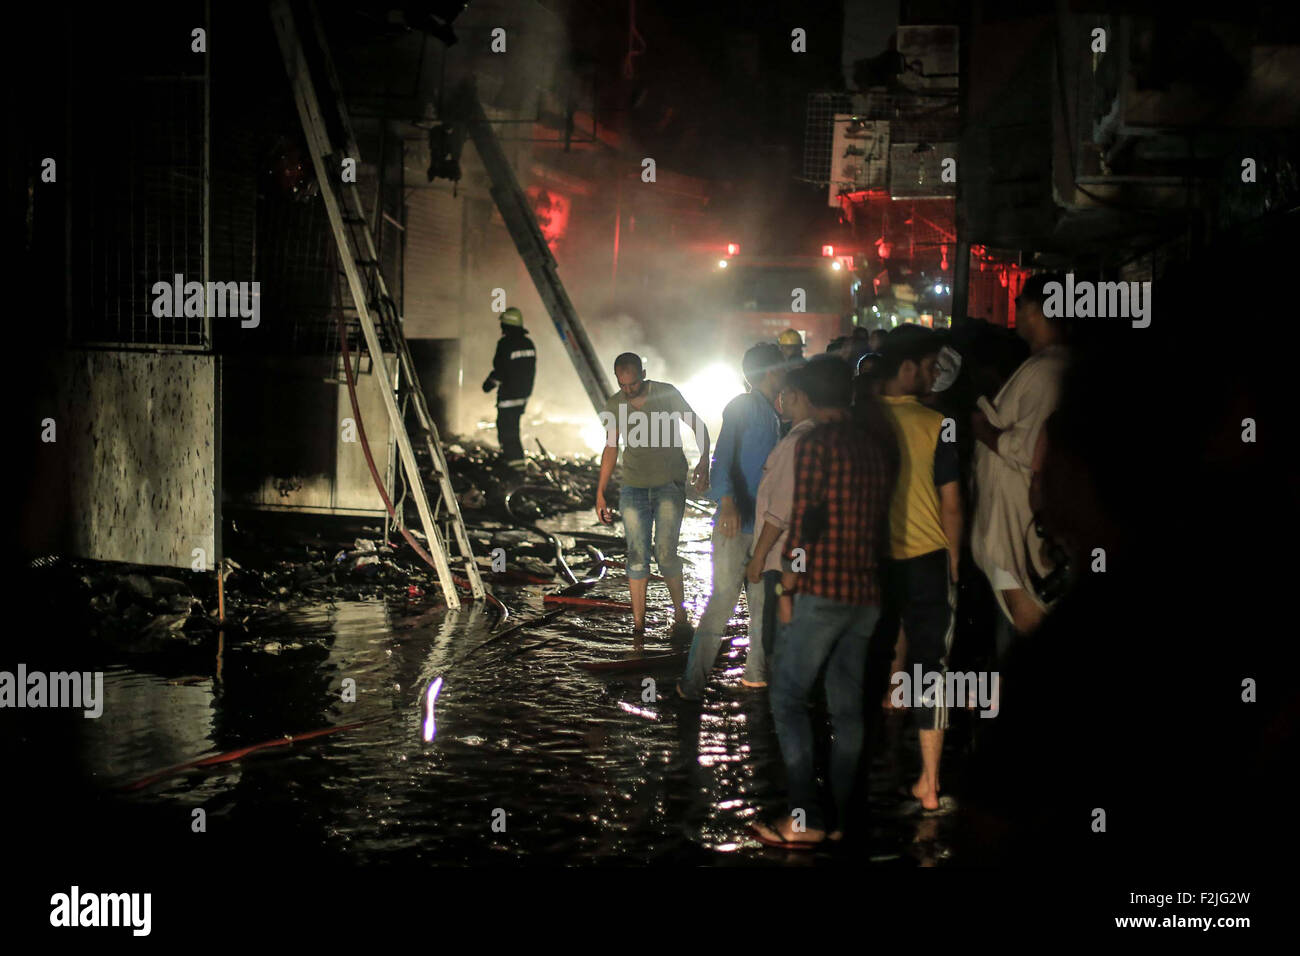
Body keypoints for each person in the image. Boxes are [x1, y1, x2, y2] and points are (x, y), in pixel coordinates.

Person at [751, 357, 895, 848]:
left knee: (788, 696)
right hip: (866, 592)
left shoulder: (815, 443)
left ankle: (806, 818)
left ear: (809, 398)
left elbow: (805, 517)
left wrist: (788, 583)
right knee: (847, 708)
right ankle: (840, 818)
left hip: (823, 590)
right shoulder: (874, 444)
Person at [874, 327, 963, 812]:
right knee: (933, 669)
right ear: (908, 368)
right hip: (928, 559)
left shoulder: (863, 421)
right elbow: (952, 503)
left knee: (866, 662)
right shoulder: (939, 423)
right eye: (929, 367)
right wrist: (955, 561)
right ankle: (929, 783)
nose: (933, 377)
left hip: (875, 561)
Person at [678, 344, 784, 699]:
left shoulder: (774, 413)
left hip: (762, 526)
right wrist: (725, 503)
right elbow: (722, 457)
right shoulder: (743, 407)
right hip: (736, 524)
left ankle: (755, 675)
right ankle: (692, 683)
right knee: (723, 601)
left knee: (760, 605)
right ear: (770, 373)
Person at [969, 273, 1069, 638]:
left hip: (1020, 527)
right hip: (1010, 527)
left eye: (1020, 303)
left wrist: (983, 429)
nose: (1016, 311)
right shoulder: (1042, 366)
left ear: (1037, 311)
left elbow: (1027, 449)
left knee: (1029, 626)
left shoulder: (1048, 371)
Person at [595, 353, 710, 639]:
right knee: (636, 556)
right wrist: (600, 493)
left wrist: (705, 460)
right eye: (623, 385)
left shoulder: (666, 393)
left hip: (669, 484)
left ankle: (681, 618)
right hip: (633, 488)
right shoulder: (614, 404)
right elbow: (611, 447)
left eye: (633, 383)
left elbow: (697, 424)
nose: (629, 390)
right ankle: (638, 628)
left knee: (665, 552)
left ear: (643, 374)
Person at [745, 362, 820, 671]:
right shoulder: (816, 436)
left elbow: (779, 511)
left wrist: (757, 557)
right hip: (801, 558)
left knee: (778, 643)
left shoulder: (795, 442)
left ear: (799, 396)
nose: (781, 399)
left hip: (782, 559)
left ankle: (780, 711)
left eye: (786, 394)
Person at [481, 307, 536, 469]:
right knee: (513, 430)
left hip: (508, 397)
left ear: (507, 325)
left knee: (507, 432)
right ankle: (515, 463)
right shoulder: (528, 343)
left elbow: (501, 370)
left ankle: (515, 467)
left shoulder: (506, 344)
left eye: (503, 324)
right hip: (523, 396)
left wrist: (488, 385)